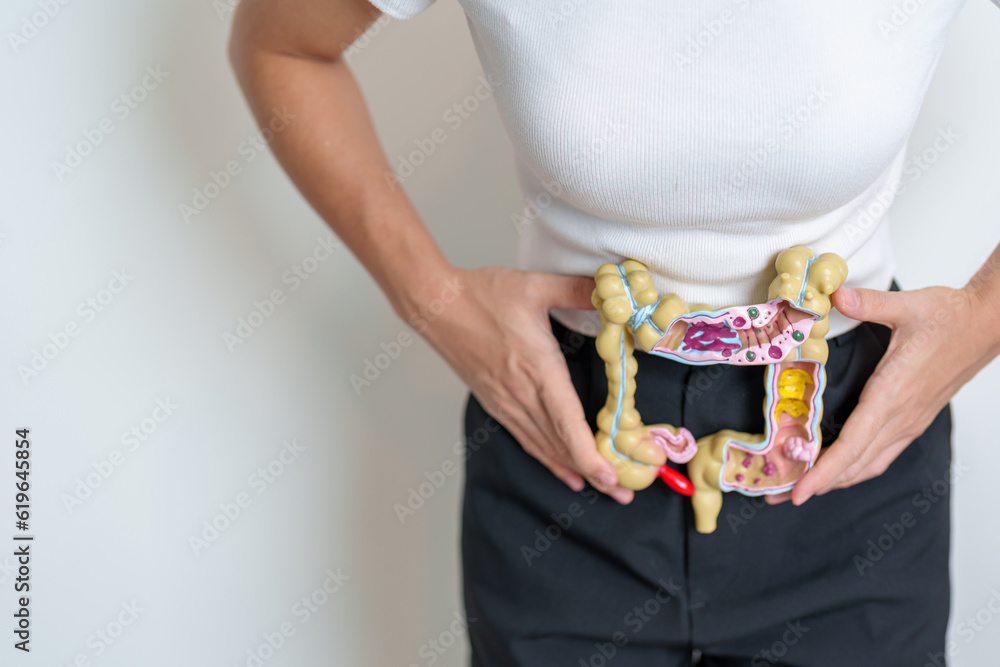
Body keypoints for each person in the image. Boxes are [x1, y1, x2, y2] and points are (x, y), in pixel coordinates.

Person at [228, 1, 1000, 664]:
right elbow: (281, 43)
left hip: (846, 458)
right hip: (563, 452)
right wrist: (435, 300)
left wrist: (979, 324)